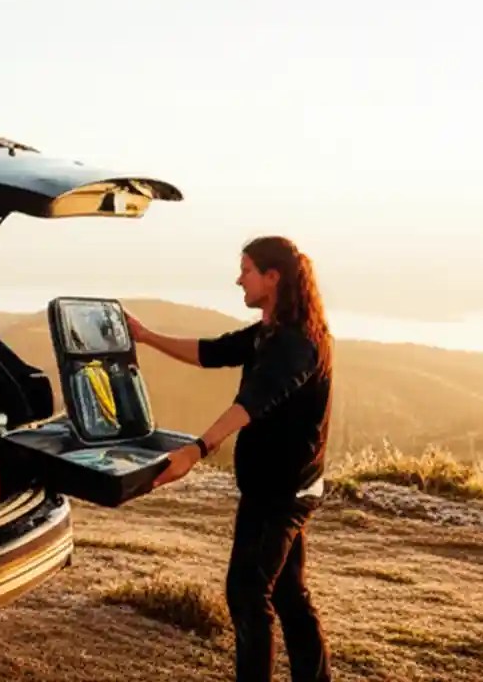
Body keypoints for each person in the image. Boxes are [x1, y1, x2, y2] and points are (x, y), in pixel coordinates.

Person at [126, 235, 335, 682]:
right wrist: (145, 336)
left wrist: (197, 449)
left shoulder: (295, 344)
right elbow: (211, 352)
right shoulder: (268, 334)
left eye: (246, 270)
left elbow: (253, 402)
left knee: (247, 592)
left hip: (281, 493)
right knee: (288, 595)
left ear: (272, 277)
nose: (239, 280)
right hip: (276, 488)